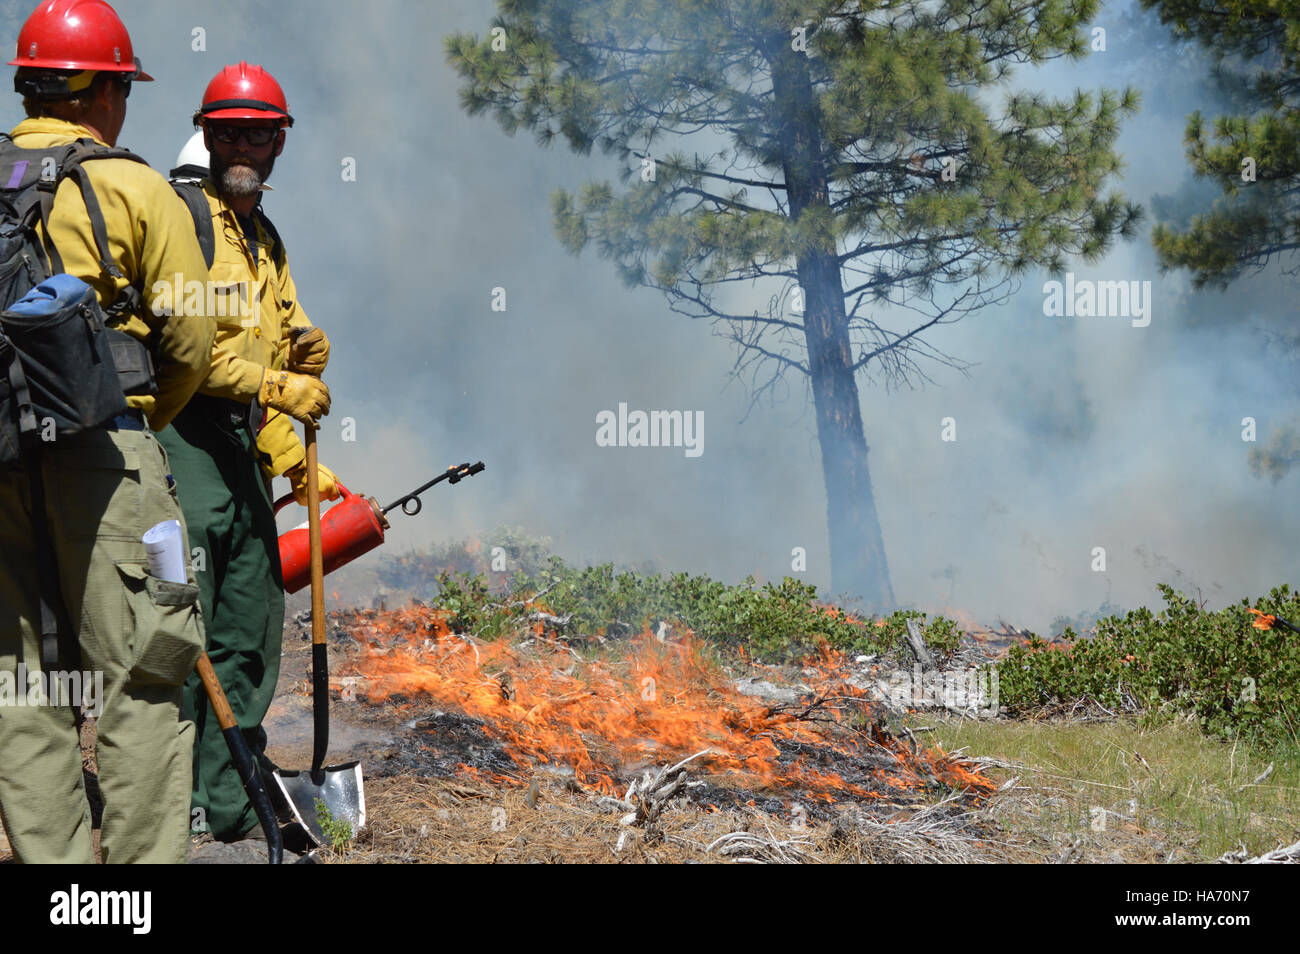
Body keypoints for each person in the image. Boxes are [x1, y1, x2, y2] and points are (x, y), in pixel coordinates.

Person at [0, 0, 217, 863]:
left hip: (0, 461)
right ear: (95, 92)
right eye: (121, 86)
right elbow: (192, 340)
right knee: (148, 671)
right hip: (106, 459)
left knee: (21, 683)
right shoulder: (132, 185)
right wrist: (140, 424)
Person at [158, 61, 339, 843]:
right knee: (182, 631)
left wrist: (295, 457)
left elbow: (278, 353)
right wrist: (276, 386)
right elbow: (184, 356)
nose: (243, 145)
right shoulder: (183, 223)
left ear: (279, 144)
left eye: (259, 133)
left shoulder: (265, 237)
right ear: (207, 134)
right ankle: (172, 810)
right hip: (179, 434)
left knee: (254, 617)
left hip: (239, 443)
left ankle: (228, 808)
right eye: (228, 130)